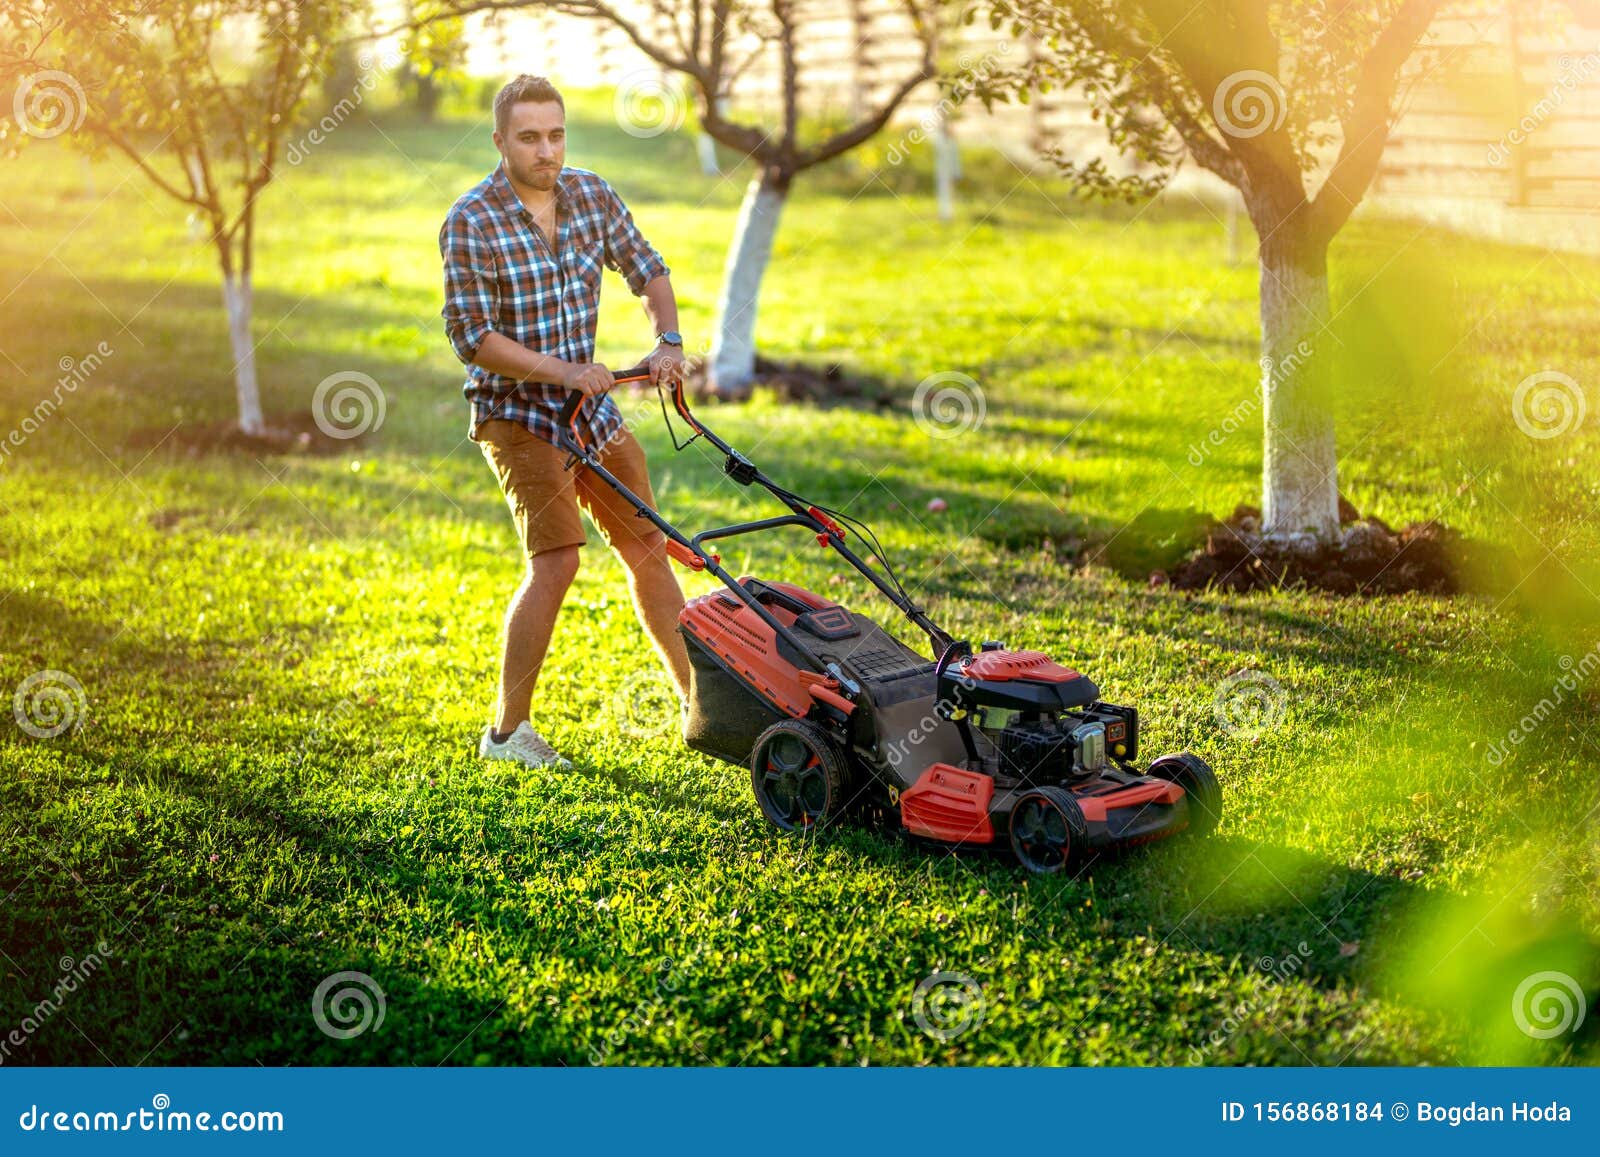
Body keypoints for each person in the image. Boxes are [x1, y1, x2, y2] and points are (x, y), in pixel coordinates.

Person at [439, 74, 692, 770]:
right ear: (500, 141)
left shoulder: (590, 193)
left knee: (648, 542)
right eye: (529, 137)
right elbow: (474, 338)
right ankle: (506, 734)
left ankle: (697, 702)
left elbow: (648, 270)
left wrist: (667, 340)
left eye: (555, 134)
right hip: (515, 412)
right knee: (558, 558)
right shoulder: (471, 220)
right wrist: (562, 371)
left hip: (589, 408)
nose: (545, 150)